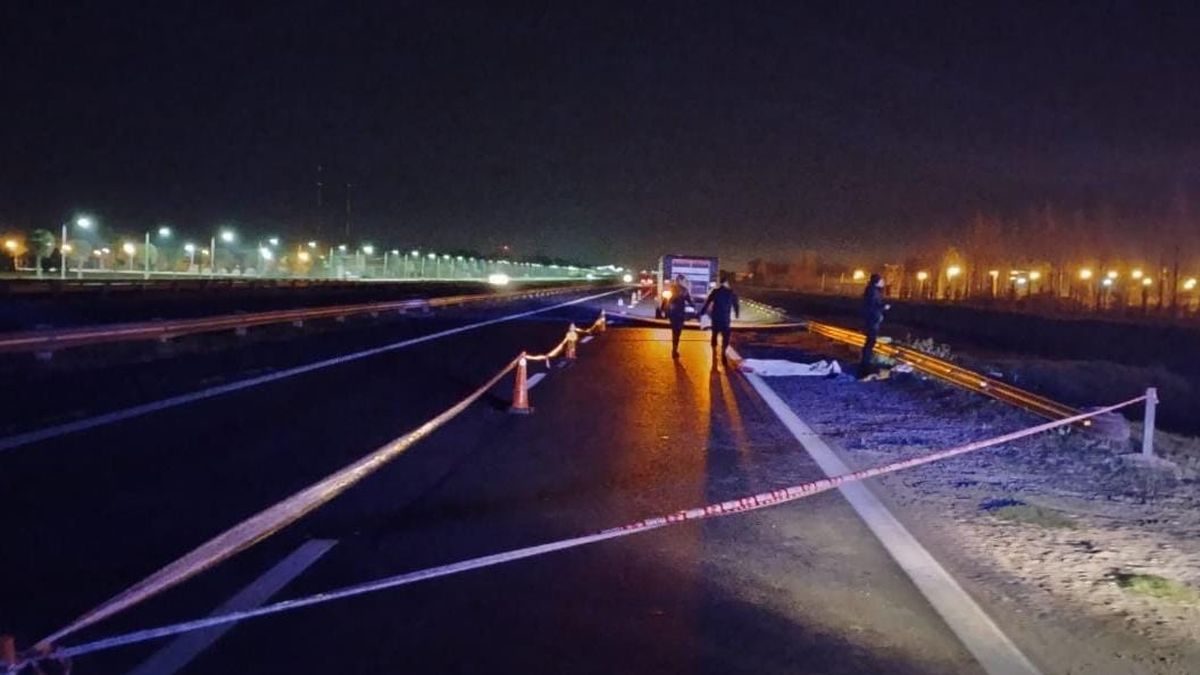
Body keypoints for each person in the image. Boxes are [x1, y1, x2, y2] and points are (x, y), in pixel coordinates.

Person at [700, 272, 740, 363]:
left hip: (715, 317)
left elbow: (707, 302)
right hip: (725, 318)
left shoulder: (715, 291)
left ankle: (714, 351)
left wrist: (702, 312)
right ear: (726, 282)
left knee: (714, 334)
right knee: (726, 336)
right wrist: (737, 314)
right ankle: (723, 352)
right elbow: (736, 305)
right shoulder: (731, 293)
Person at [859, 273, 890, 378]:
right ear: (877, 282)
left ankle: (865, 365)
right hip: (872, 320)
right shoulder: (873, 292)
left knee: (870, 342)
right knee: (870, 342)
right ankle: (865, 366)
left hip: (871, 319)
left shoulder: (871, 290)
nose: (883, 282)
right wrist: (883, 307)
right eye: (882, 281)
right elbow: (873, 306)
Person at [661, 273, 694, 358]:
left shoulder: (671, 289)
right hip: (680, 313)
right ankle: (674, 350)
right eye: (682, 280)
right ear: (682, 281)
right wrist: (695, 308)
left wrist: (663, 309)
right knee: (678, 332)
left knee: (675, 331)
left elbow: (665, 299)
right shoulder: (684, 290)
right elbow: (690, 301)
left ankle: (674, 349)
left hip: (673, 313)